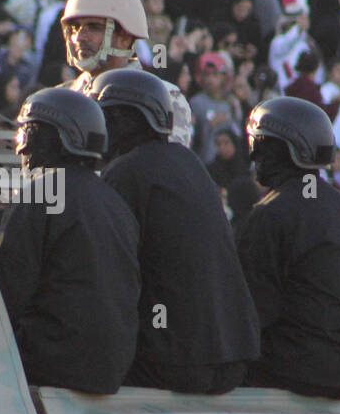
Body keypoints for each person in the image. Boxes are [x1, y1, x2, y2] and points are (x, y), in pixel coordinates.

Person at [93, 68, 260, 394]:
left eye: (105, 119)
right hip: (234, 359)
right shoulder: (189, 162)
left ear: (124, 120)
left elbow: (107, 276)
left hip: (177, 362)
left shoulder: (125, 173)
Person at [0, 87, 140, 394]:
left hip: (53, 366)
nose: (20, 148)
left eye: (27, 133)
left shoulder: (43, 191)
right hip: (110, 371)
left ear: (57, 137)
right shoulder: (113, 200)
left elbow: (3, 293)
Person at [236, 96, 340, 398]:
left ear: (287, 150)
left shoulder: (271, 214)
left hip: (294, 369)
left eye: (261, 145)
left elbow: (249, 313)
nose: (254, 156)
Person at [57, 0, 194, 148]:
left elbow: (165, 167)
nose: (80, 38)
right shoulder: (59, 96)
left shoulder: (164, 97)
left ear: (125, 36)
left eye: (94, 27)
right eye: (74, 28)